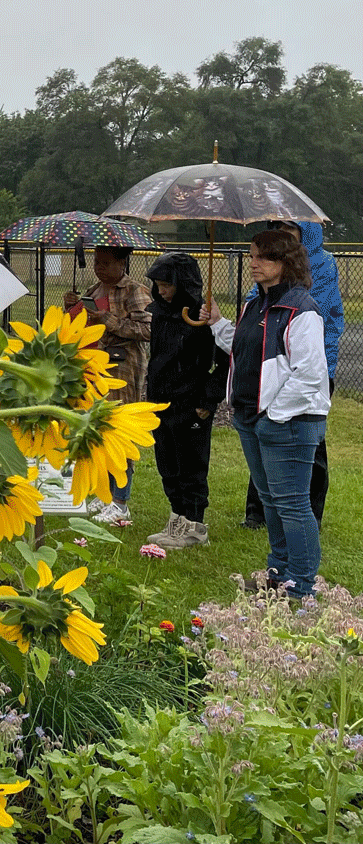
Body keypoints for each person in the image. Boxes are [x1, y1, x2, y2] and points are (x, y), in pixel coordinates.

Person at [202, 229, 329, 598]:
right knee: (270, 499)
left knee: (292, 504)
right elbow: (244, 347)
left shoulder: (300, 309)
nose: (254, 263)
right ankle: (277, 573)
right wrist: (217, 324)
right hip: (251, 418)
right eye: (253, 255)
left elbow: (309, 374)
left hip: (287, 424)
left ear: (284, 263)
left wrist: (273, 416)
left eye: (263, 257)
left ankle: (300, 585)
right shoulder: (255, 304)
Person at [242, 220, 344, 529]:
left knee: (309, 444)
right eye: (276, 227)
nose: (282, 233)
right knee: (262, 437)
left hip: (311, 362)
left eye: (289, 229)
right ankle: (258, 512)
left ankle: (308, 512)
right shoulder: (271, 268)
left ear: (304, 233)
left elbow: (314, 306)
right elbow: (254, 301)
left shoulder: (322, 264)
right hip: (271, 360)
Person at [143, 252, 227, 549]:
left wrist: (209, 399)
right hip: (161, 399)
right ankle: (177, 519)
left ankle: (195, 525)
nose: (162, 290)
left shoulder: (202, 317)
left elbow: (223, 361)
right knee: (168, 462)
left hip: (191, 401)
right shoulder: (161, 313)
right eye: (158, 284)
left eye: (167, 284)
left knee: (191, 463)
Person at [65, 245, 152, 525]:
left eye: (105, 263)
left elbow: (149, 329)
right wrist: (72, 308)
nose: (99, 268)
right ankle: (104, 495)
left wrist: (110, 321)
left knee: (119, 431)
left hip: (124, 368)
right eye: (96, 262)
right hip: (95, 369)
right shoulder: (93, 291)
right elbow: (81, 329)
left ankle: (120, 501)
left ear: (123, 263)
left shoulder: (134, 291)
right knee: (97, 430)